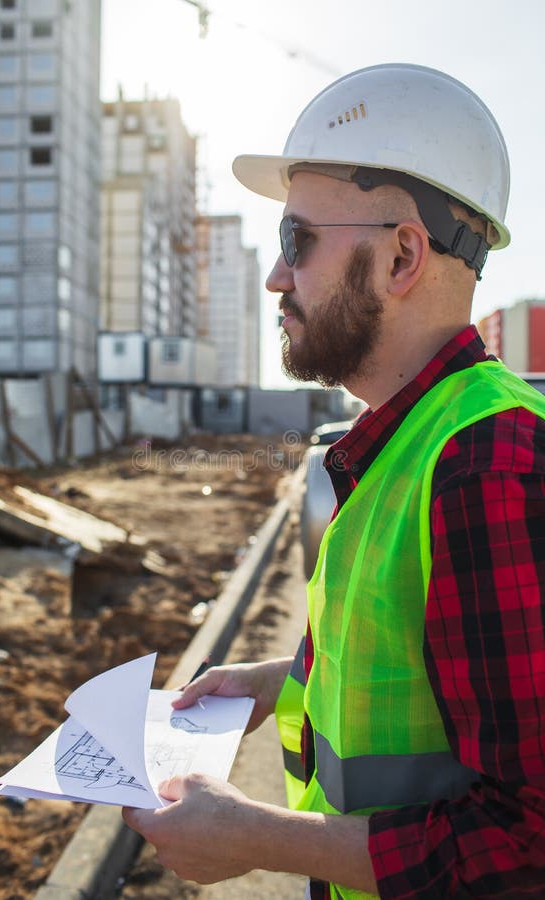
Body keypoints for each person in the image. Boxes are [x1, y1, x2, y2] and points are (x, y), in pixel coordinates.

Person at [123, 63, 545, 899]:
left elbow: (527, 837)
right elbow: (411, 669)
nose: (277, 278)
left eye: (297, 241)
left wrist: (264, 839)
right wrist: (276, 682)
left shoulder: (487, 463)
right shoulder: (406, 440)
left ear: (401, 256)